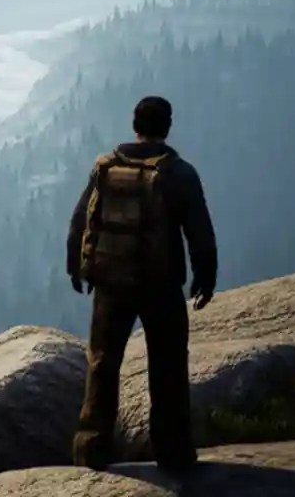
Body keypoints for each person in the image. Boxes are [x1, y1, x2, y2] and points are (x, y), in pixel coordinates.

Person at [65, 95, 217, 474]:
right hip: (160, 286)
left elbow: (81, 219)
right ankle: (174, 453)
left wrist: (77, 267)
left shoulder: (106, 166)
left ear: (134, 124)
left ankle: (91, 449)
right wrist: (205, 276)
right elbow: (199, 230)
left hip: (110, 284)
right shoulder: (178, 173)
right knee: (167, 368)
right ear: (167, 126)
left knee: (102, 363)